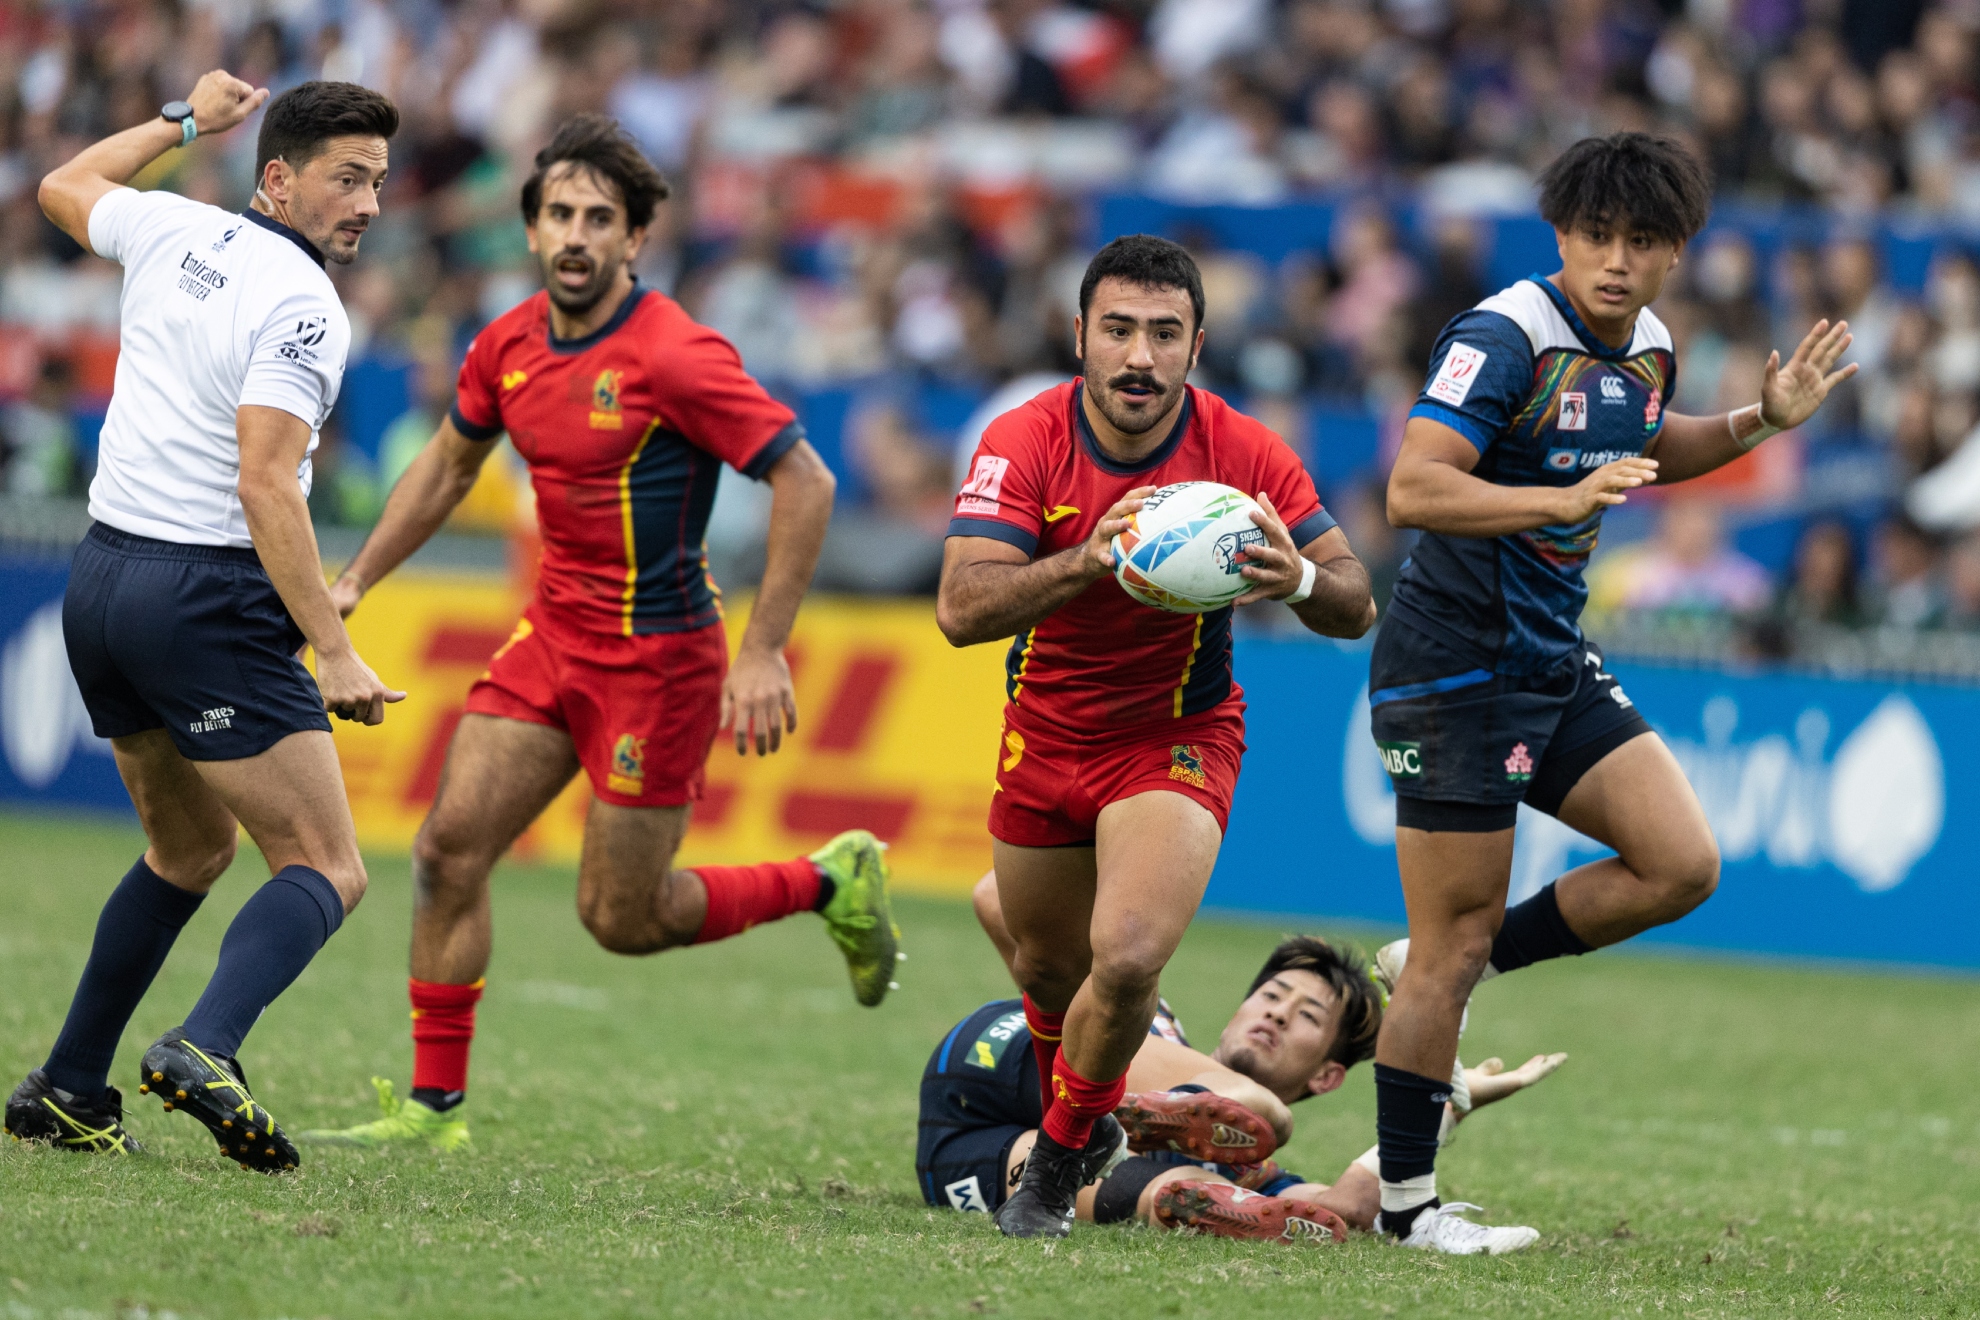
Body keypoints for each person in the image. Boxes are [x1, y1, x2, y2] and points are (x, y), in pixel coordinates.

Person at [296, 115, 897, 1154]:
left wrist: (761, 650)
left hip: (659, 662)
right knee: (446, 851)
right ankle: (434, 1112)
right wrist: (354, 580)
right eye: (560, 214)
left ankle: (830, 879)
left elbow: (806, 478)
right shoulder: (508, 344)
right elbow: (447, 467)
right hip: (552, 639)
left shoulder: (676, 355)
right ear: (531, 230)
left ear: (634, 241)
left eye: (599, 219)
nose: (576, 234)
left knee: (622, 918)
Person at [1371, 132, 1857, 1251]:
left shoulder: (1647, 345)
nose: (1616, 262)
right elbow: (1414, 487)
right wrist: (1548, 503)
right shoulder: (1504, 337)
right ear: (1561, 235)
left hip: (1550, 656)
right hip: (1454, 665)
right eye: (1597, 237)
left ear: (1678, 252)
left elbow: (1642, 448)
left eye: (1643, 242)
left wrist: (1757, 422)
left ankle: (1466, 963)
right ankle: (1407, 1213)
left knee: (1680, 864)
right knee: (1447, 942)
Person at [936, 234, 1378, 1238]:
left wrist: (1300, 579)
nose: (1140, 356)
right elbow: (962, 611)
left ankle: (1051, 1169)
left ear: (1197, 344)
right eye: (1120, 330)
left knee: (1127, 956)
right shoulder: (1024, 439)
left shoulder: (1244, 452)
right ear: (1080, 335)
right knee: (1050, 974)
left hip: (1176, 736)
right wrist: (1088, 558)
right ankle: (1086, 1123)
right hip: (1043, 735)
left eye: (1165, 334)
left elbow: (1355, 601)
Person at [2, 76, 402, 1172]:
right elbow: (267, 486)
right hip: (204, 597)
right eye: (345, 179)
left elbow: (63, 184)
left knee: (185, 849)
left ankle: (68, 1088)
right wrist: (333, 646)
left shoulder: (173, 225)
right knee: (325, 863)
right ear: (278, 180)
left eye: (376, 181)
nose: (368, 202)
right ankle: (205, 1046)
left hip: (101, 582)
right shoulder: (310, 307)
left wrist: (184, 123)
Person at [916, 875, 1564, 1243]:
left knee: (1164, 1189)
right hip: (1007, 1050)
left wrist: (1452, 1104)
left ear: (1328, 1076)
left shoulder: (1256, 1164)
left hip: (961, 1152)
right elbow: (993, 896)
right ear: (1235, 1013)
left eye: (1307, 1017)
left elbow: (1348, 1208)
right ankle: (1125, 1115)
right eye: (1272, 996)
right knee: (1263, 1116)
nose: (1276, 1013)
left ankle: (1182, 1191)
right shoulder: (1141, 1010)